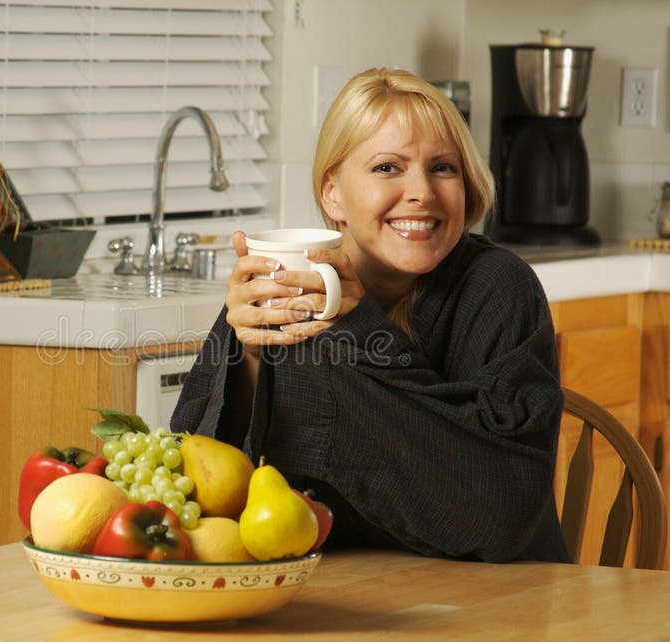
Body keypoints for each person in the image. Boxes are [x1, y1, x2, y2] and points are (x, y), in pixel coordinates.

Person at [171, 67, 570, 563]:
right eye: (388, 168)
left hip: (494, 602)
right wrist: (251, 355)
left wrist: (355, 331)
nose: (422, 191)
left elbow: (497, 512)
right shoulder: (293, 285)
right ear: (332, 193)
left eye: (443, 167)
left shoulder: (497, 287)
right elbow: (196, 488)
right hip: (335, 597)